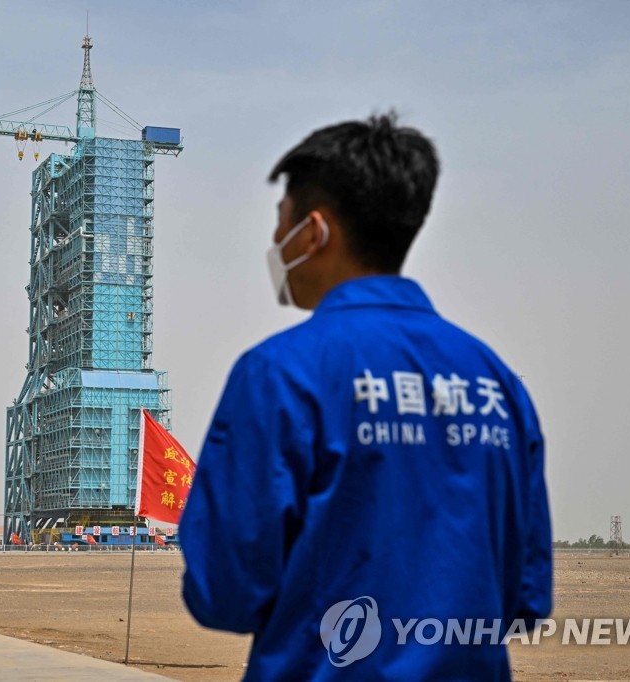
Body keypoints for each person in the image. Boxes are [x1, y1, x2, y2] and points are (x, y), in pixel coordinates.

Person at [179, 112, 551, 681]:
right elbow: (526, 597)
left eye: (282, 223)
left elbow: (224, 592)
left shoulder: (278, 375)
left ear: (315, 232)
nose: (276, 243)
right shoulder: (496, 383)